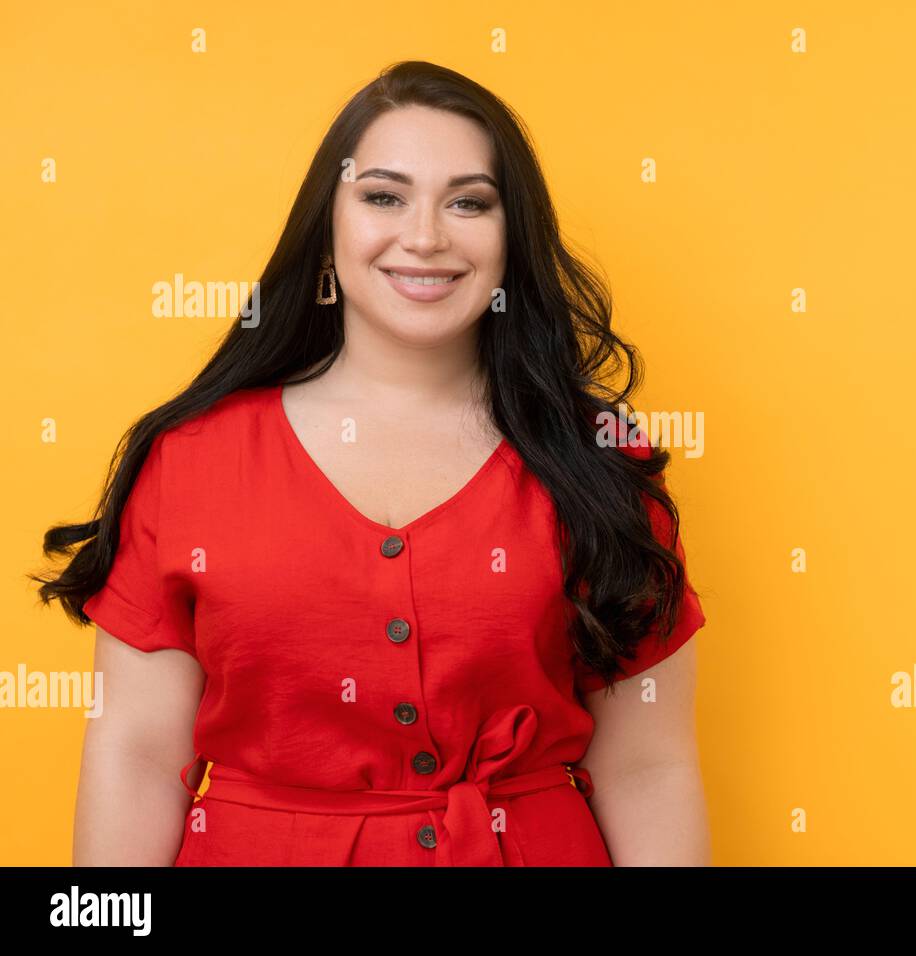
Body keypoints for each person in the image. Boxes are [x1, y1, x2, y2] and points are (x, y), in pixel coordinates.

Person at [32, 60, 708, 866]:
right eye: (383, 196)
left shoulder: (598, 460)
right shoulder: (191, 460)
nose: (424, 236)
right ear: (329, 226)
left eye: (469, 201)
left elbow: (648, 766)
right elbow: (137, 756)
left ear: (511, 237)